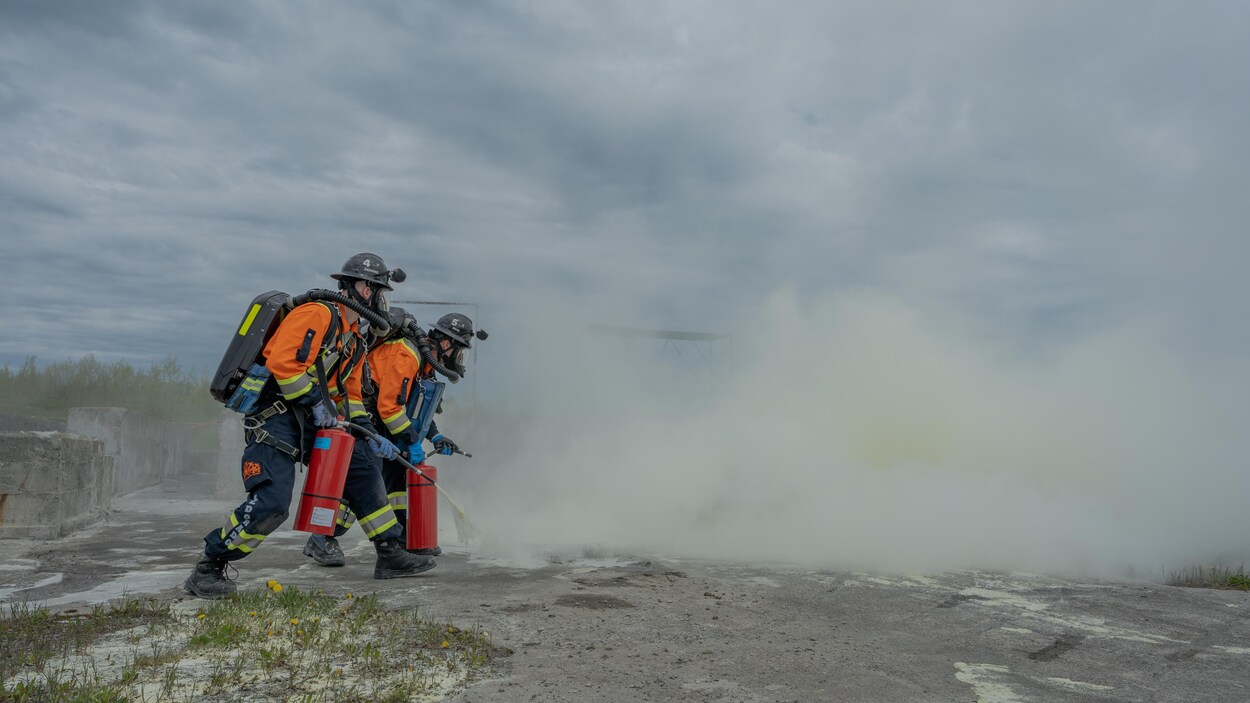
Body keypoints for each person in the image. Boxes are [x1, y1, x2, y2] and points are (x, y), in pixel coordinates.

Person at [184, 254, 436, 599]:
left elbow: (350, 392)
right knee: (272, 504)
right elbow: (284, 365)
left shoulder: (353, 337)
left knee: (362, 464)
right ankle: (209, 566)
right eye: (380, 293)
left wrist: (365, 429)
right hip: (278, 416)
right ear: (364, 289)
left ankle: (390, 553)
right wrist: (316, 403)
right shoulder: (318, 313)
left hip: (313, 418)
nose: (382, 302)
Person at [303, 309, 479, 564]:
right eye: (459, 350)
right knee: (365, 480)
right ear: (446, 342)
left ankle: (402, 538)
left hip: (379, 422)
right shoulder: (405, 354)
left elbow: (412, 407)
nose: (458, 357)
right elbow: (390, 408)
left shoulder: (424, 363)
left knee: (396, 479)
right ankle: (321, 538)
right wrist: (411, 441)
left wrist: (436, 436)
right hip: (361, 416)